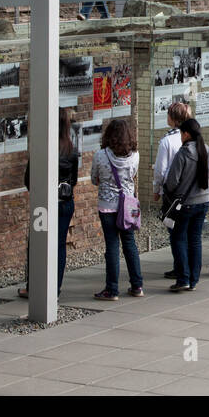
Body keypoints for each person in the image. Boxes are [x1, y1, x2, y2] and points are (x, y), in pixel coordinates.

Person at [20, 107, 78, 298]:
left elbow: (29, 179)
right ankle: (55, 288)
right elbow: (74, 180)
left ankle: (33, 286)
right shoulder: (71, 149)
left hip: (44, 204)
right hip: (65, 203)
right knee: (60, 245)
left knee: (36, 243)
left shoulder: (42, 146)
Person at [90, 117, 144, 299]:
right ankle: (137, 285)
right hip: (128, 205)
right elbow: (133, 175)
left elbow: (93, 178)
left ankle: (112, 289)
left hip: (107, 207)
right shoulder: (135, 156)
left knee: (112, 246)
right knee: (130, 244)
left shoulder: (101, 155)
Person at [161, 118, 209, 291]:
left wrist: (165, 189)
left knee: (178, 238)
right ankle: (193, 279)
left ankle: (183, 278)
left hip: (186, 204)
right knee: (195, 240)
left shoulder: (183, 153)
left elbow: (172, 181)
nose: (180, 136)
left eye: (181, 133)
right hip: (204, 200)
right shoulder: (207, 150)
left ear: (187, 134)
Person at [154, 100, 189, 279]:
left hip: (172, 192)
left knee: (175, 233)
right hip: (190, 190)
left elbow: (160, 170)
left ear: (172, 118)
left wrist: (156, 189)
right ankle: (185, 267)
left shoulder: (167, 141)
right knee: (187, 233)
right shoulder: (190, 137)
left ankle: (180, 268)